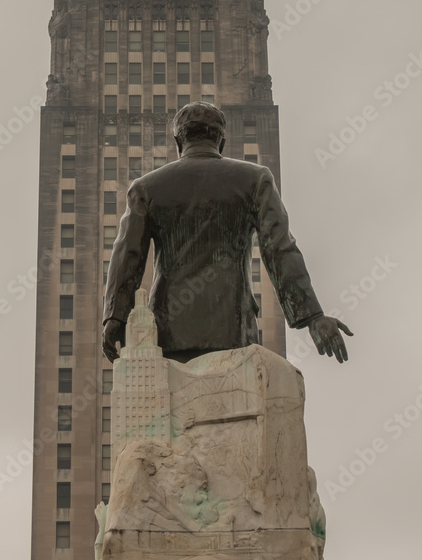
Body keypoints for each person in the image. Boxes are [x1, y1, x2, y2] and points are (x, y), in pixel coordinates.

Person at [102, 102, 352, 364]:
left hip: (169, 332)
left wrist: (115, 317)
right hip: (234, 329)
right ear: (221, 140)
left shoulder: (146, 187)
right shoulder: (254, 179)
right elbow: (279, 248)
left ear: (178, 141)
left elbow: (127, 256)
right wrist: (312, 315)